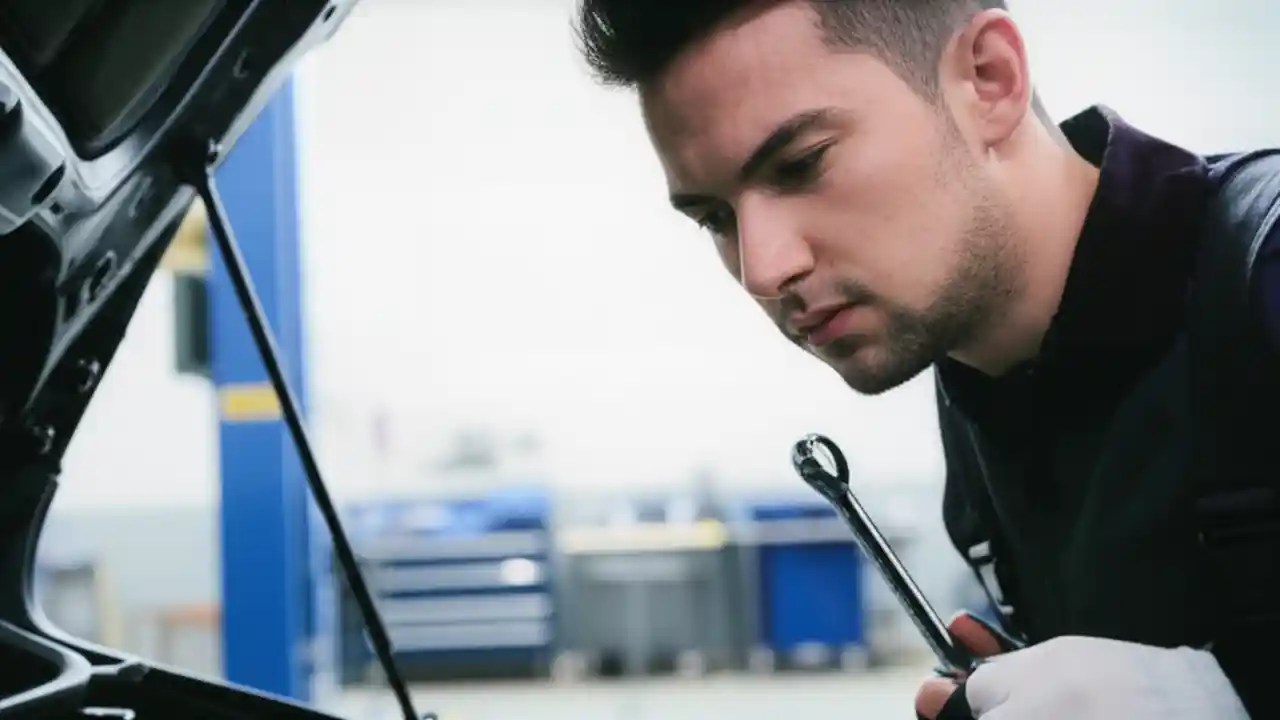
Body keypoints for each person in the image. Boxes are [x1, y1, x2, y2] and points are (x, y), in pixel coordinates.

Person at [572, 1, 1280, 718]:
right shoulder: (975, 387)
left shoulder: (1263, 273)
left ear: (989, 79)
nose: (763, 269)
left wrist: (1233, 698)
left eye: (801, 164)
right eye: (715, 219)